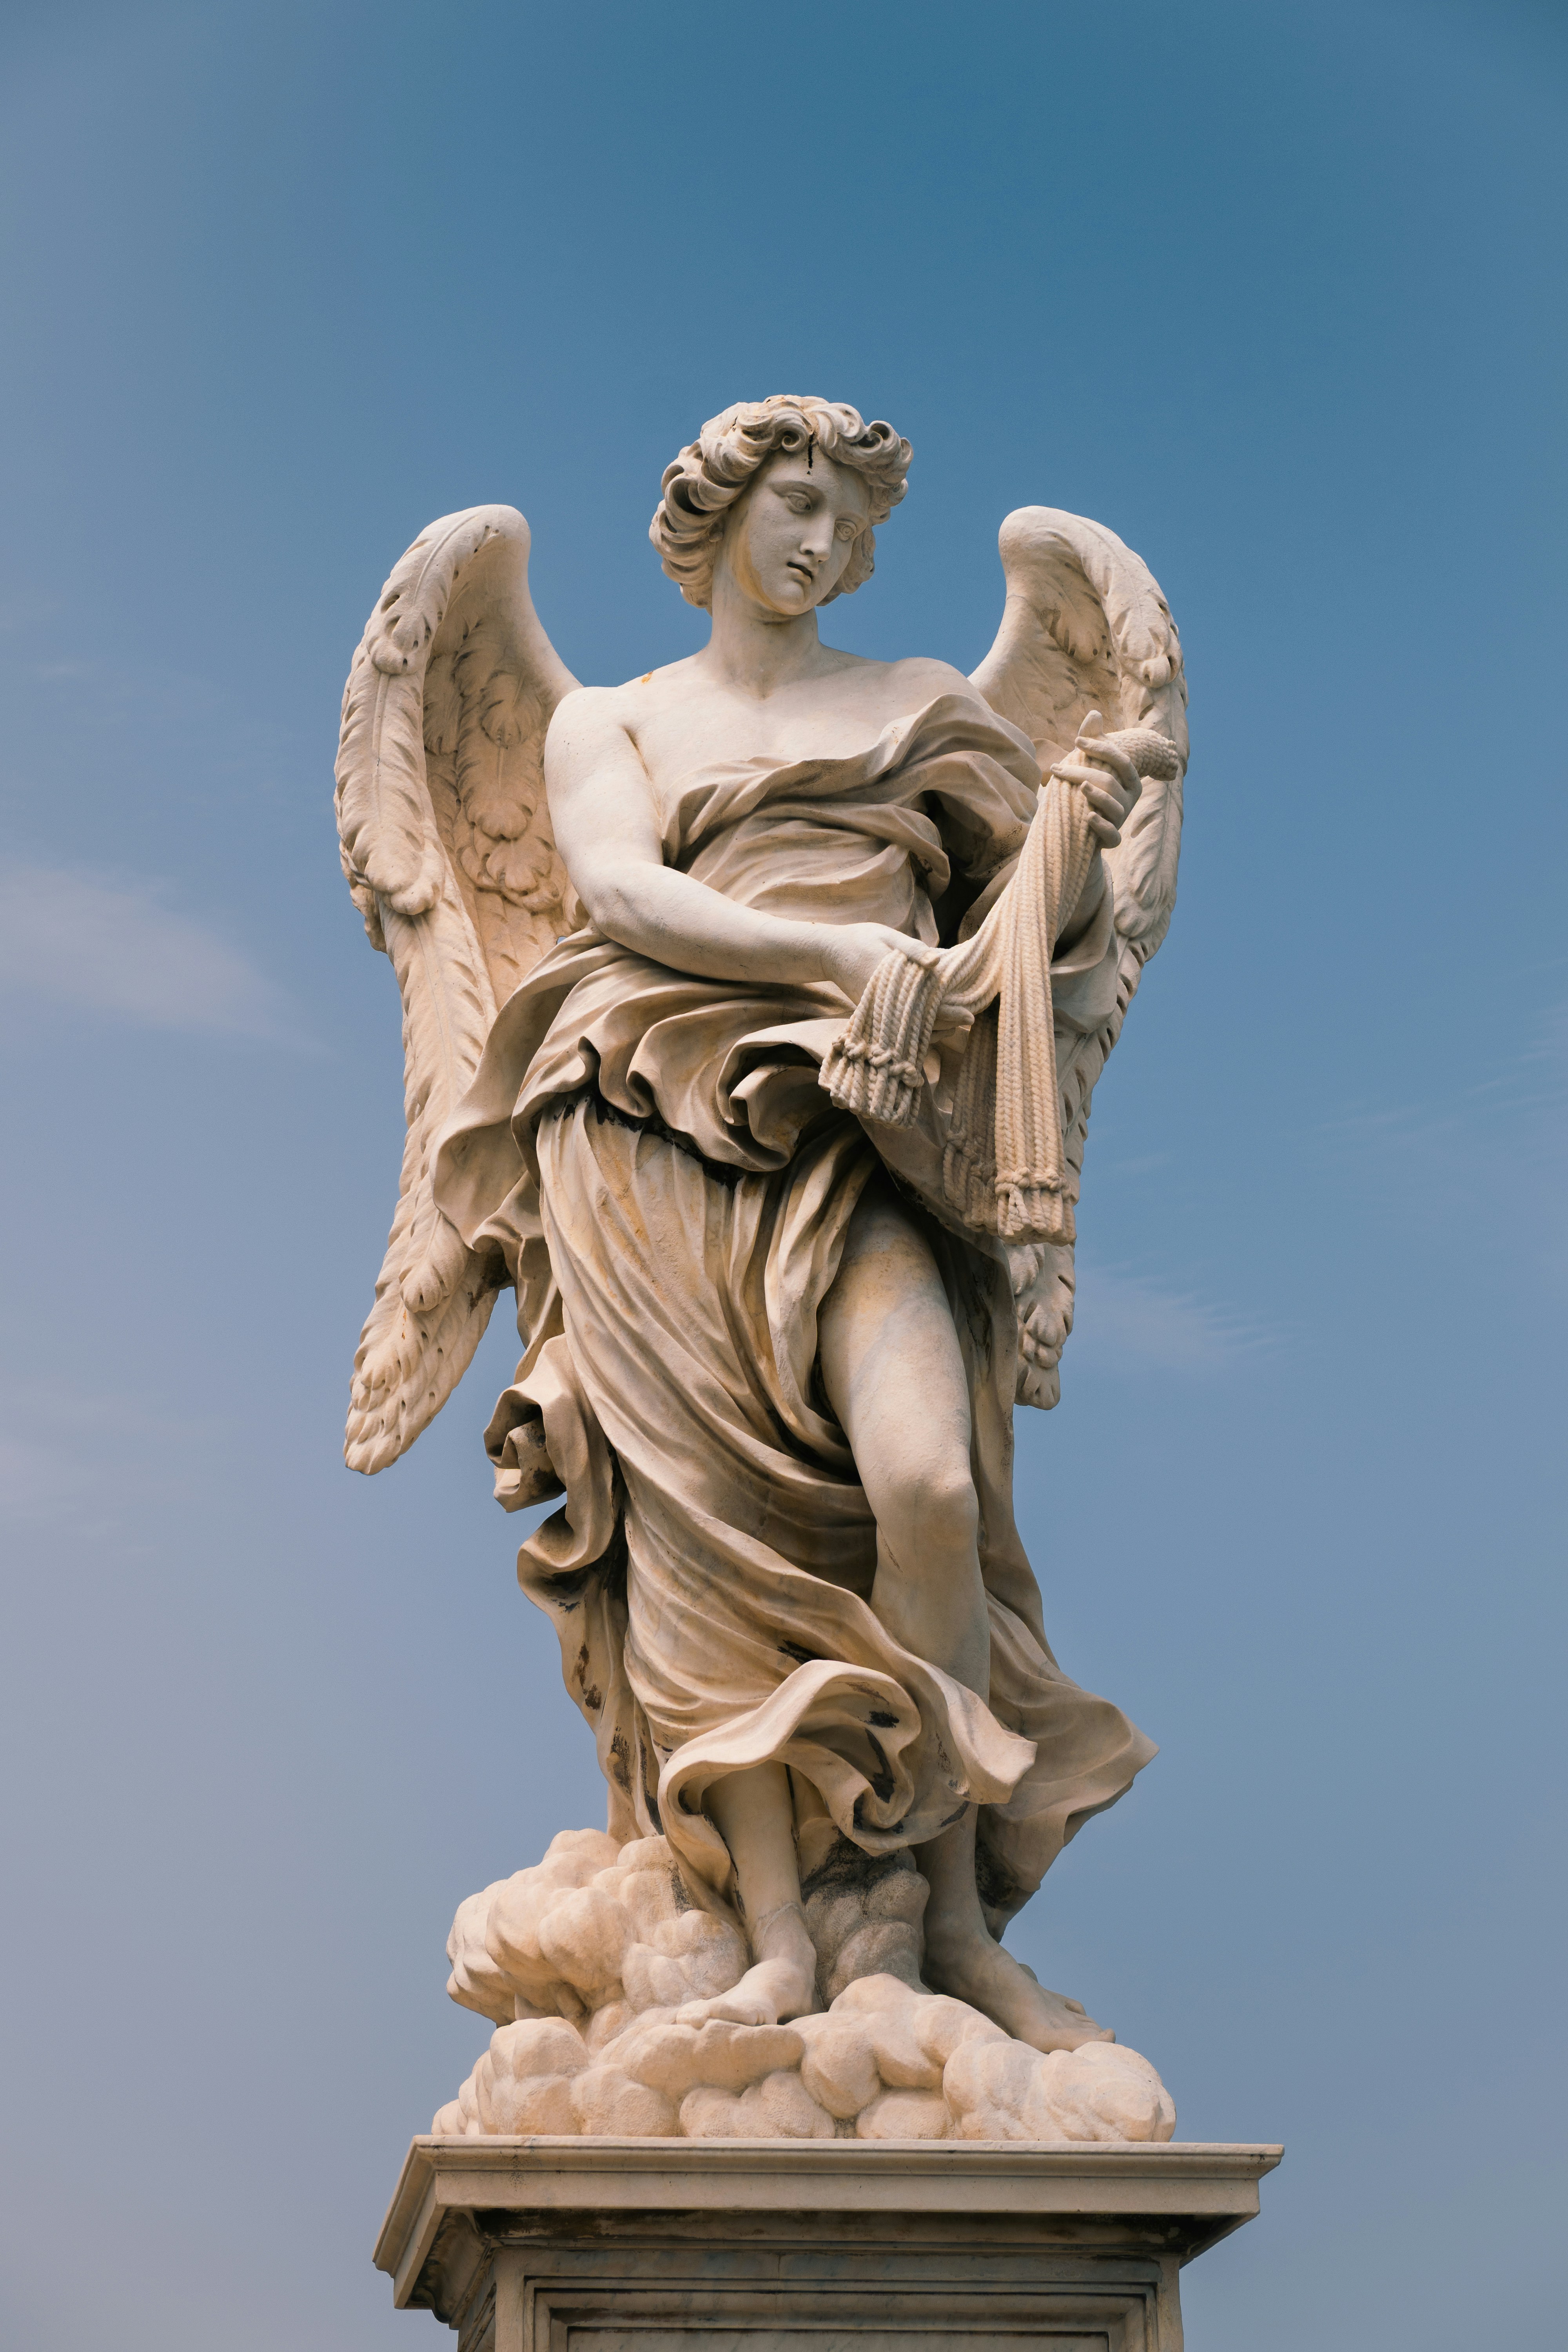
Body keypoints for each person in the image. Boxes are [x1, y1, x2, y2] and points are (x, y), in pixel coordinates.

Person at [434, 397, 1155, 2054]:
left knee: (925, 1490)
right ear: (718, 511)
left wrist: (1084, 844)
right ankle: (772, 1942)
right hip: (649, 1129)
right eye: (794, 502)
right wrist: (836, 961)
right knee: (706, 1555)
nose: (819, 539)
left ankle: (947, 1922)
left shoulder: (922, 707)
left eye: (845, 515)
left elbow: (1026, 944)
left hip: (874, 1141)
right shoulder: (610, 721)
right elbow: (618, 896)